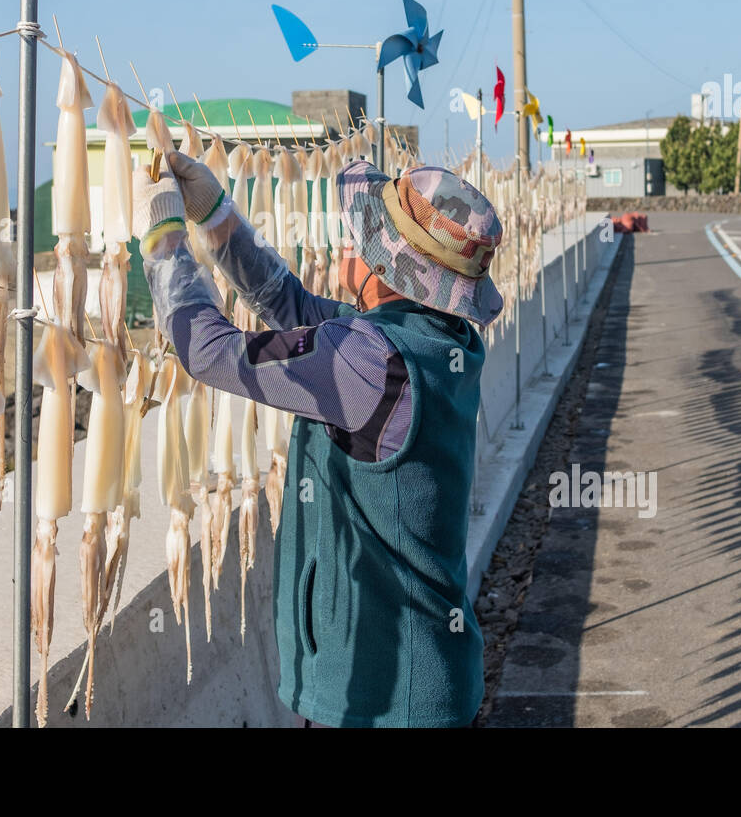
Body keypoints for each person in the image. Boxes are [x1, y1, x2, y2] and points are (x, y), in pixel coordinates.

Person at [133, 145, 503, 728]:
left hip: (380, 699)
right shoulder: (435, 338)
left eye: (361, 236)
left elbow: (208, 352)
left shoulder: (366, 360)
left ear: (386, 267)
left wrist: (164, 243)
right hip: (427, 680)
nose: (346, 244)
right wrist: (214, 215)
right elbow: (291, 304)